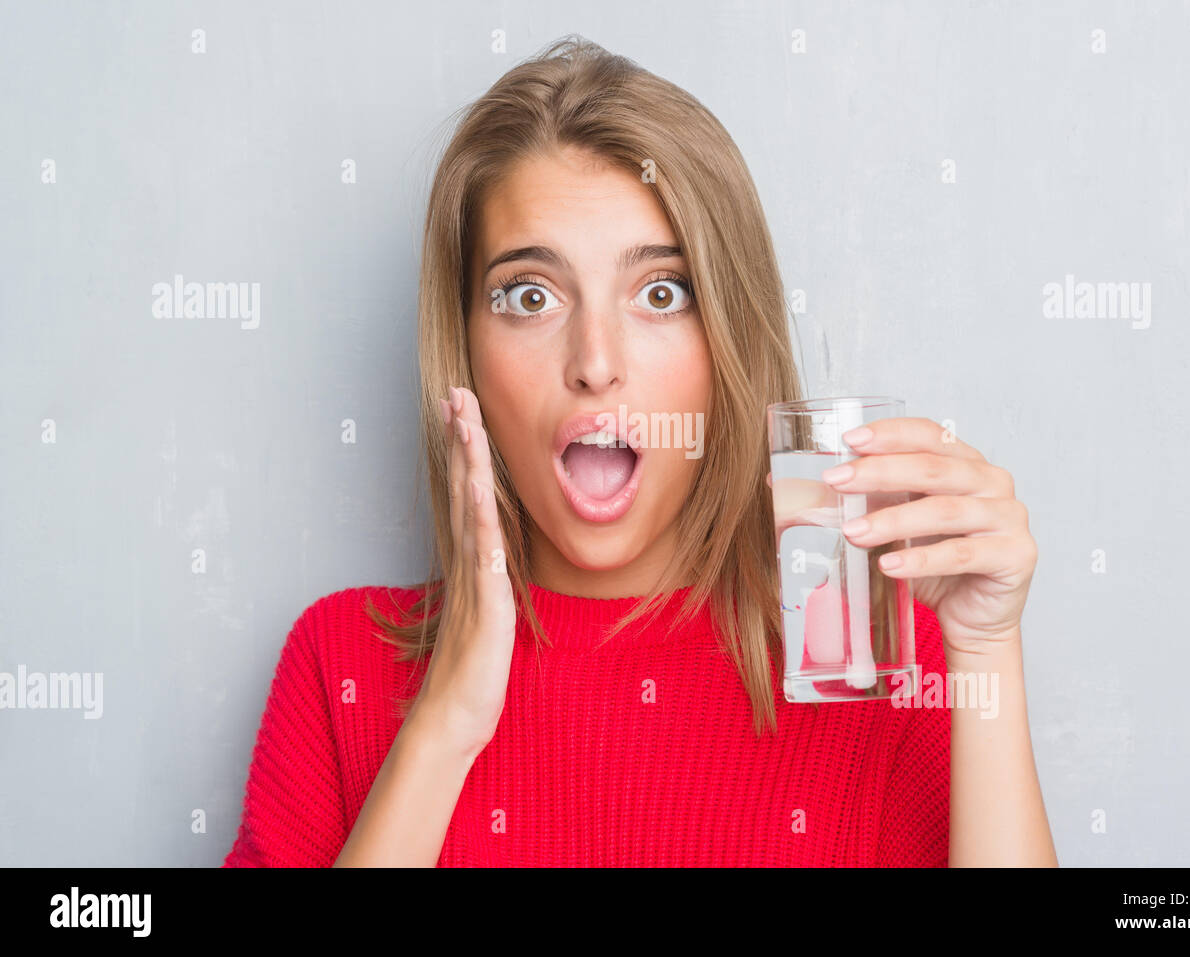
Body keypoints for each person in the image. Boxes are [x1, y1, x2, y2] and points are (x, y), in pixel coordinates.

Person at [223, 34, 1056, 867]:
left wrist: (985, 650)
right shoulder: (343, 663)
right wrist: (442, 729)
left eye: (661, 293)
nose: (594, 363)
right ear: (465, 350)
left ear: (726, 340)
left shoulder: (865, 660)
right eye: (530, 294)